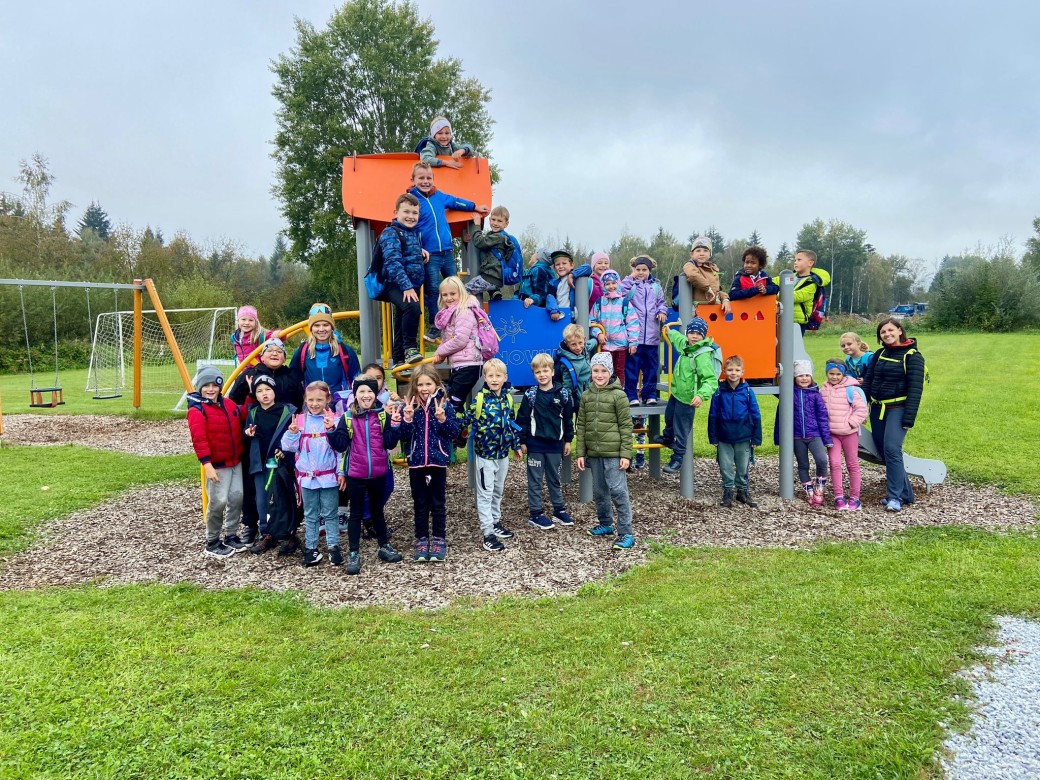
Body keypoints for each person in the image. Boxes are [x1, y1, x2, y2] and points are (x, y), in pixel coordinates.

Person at [406, 162, 489, 342]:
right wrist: (416, 247)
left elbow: (455, 201)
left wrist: (474, 206)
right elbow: (407, 224)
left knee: (457, 286)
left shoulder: (438, 196)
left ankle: (461, 317)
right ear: (413, 180)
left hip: (447, 252)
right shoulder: (411, 200)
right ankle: (436, 324)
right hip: (430, 254)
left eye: (429, 178)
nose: (425, 181)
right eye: (421, 178)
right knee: (434, 289)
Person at [280, 381, 351, 567]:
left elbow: (340, 450)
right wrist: (293, 434)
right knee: (311, 514)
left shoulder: (335, 419)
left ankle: (333, 547)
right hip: (307, 478)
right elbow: (289, 447)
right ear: (305, 399)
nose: (314, 404)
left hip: (328, 478)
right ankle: (311, 549)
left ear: (327, 399)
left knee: (331, 513)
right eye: (310, 400)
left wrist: (341, 472)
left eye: (319, 399)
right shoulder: (300, 421)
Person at [340, 377, 405, 575]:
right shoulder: (347, 418)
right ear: (355, 395)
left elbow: (390, 444)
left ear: (376, 394)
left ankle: (384, 546)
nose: (366, 395)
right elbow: (340, 445)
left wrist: (394, 426)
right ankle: (353, 553)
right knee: (356, 514)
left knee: (377, 512)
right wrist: (330, 431)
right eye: (362, 392)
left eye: (370, 392)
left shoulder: (382, 416)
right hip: (355, 474)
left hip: (378, 472)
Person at [861, 317, 926, 512]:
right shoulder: (879, 354)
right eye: (883, 332)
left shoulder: (913, 356)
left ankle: (894, 497)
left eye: (890, 330)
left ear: (899, 331)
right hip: (878, 410)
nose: (887, 334)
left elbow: (916, 389)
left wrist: (909, 419)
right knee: (883, 452)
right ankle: (906, 494)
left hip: (898, 410)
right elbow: (869, 380)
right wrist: (862, 405)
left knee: (891, 449)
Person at [399, 364, 461, 563]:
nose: (424, 388)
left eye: (428, 383)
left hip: (437, 461)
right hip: (417, 462)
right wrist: (407, 419)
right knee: (420, 503)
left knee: (437, 503)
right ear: (414, 386)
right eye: (420, 384)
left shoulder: (445, 406)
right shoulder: (410, 407)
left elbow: (455, 433)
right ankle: (421, 539)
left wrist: (443, 419)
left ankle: (439, 539)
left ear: (436, 384)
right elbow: (404, 437)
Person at [576, 353, 636, 550]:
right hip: (594, 453)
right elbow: (582, 425)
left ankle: (626, 532)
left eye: (603, 371)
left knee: (618, 491)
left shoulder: (619, 395)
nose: (599, 375)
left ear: (610, 372)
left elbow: (626, 426)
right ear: (590, 372)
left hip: (614, 454)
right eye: (595, 371)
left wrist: (626, 454)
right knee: (600, 491)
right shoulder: (586, 396)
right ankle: (605, 524)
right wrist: (581, 453)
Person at [186, 365, 246, 558]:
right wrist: (207, 464)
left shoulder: (228, 404)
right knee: (218, 502)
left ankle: (231, 534)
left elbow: (243, 413)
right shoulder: (197, 410)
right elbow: (199, 439)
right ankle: (212, 541)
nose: (211, 389)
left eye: (215, 385)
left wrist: (253, 393)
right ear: (200, 387)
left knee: (237, 498)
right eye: (206, 385)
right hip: (216, 465)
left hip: (234, 461)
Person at [463, 359, 521, 552]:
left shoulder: (508, 399)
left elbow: (511, 424)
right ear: (485, 377)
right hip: (485, 455)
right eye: (491, 376)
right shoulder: (479, 400)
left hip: (503, 453)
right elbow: (465, 421)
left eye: (498, 376)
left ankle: (495, 522)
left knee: (498, 489)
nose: (494, 379)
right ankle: (487, 533)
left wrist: (516, 445)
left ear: (505, 378)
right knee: (485, 493)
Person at [516, 353, 574, 531]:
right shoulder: (531, 395)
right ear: (534, 374)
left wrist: (568, 441)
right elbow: (522, 419)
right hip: (535, 446)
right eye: (538, 372)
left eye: (545, 370)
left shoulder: (563, 394)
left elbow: (568, 420)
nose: (542, 374)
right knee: (535, 480)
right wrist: (522, 441)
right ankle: (536, 513)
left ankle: (559, 509)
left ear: (552, 371)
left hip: (555, 446)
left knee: (554, 479)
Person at [242, 374, 296, 552]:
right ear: (255, 395)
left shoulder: (287, 411)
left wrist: (285, 451)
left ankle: (287, 531)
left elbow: (294, 435)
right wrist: (248, 433)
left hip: (280, 463)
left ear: (274, 392)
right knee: (262, 498)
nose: (264, 394)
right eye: (259, 391)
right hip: (260, 463)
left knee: (283, 496)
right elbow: (246, 434)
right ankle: (266, 532)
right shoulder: (253, 412)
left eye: (268, 389)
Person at [659, 317, 719, 474]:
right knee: (669, 416)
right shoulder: (686, 346)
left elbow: (710, 381)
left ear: (704, 336)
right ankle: (667, 438)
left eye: (698, 334)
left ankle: (678, 458)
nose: (694, 336)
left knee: (681, 428)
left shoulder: (701, 355)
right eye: (691, 332)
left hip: (689, 399)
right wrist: (669, 331)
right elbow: (677, 339)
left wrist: (701, 395)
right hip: (677, 393)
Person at [708, 355, 763, 508]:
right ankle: (727, 491)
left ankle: (742, 491)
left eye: (737, 370)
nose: (733, 373)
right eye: (730, 369)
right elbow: (712, 414)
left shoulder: (747, 392)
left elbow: (755, 414)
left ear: (742, 372)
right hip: (724, 435)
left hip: (743, 435)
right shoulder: (718, 392)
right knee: (725, 466)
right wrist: (713, 436)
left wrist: (756, 437)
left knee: (742, 465)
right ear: (724, 371)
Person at [775, 359, 832, 505]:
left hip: (815, 435)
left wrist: (827, 439)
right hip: (796, 436)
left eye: (807, 375)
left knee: (822, 460)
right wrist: (778, 438)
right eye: (800, 375)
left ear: (811, 377)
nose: (804, 378)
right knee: (803, 464)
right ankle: (809, 491)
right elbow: (780, 416)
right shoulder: (789, 394)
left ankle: (820, 488)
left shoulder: (815, 394)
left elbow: (822, 417)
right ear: (794, 378)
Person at [379, 193, 427, 365]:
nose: (410, 216)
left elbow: (407, 252)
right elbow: (393, 261)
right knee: (412, 308)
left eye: (414, 213)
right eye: (406, 212)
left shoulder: (412, 234)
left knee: (401, 317)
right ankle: (410, 349)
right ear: (396, 212)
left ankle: (398, 359)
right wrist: (406, 287)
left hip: (410, 284)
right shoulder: (390, 232)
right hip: (395, 283)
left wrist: (421, 253)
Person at [820, 359, 869, 512]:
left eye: (838, 374)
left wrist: (851, 423)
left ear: (843, 374)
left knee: (852, 465)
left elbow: (861, 410)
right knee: (834, 464)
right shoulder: (823, 389)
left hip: (849, 434)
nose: (834, 377)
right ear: (826, 373)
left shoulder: (851, 389)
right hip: (832, 434)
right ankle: (838, 497)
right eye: (831, 373)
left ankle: (855, 498)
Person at [620, 255, 668, 406]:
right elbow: (620, 291)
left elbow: (662, 302)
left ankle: (649, 394)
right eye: (637, 269)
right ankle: (631, 395)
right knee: (632, 368)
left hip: (652, 337)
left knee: (651, 368)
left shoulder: (656, 287)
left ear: (649, 270)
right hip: (635, 337)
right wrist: (630, 277)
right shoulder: (632, 285)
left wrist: (662, 311)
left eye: (644, 270)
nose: (640, 272)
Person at [432, 276, 485, 408]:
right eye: (444, 295)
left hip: (469, 364)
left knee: (452, 403)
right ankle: (460, 427)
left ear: (461, 293)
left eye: (452, 294)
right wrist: (443, 355)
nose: (449, 298)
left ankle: (454, 427)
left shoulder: (464, 312)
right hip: (461, 364)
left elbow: (460, 340)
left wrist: (440, 351)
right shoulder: (451, 312)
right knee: (454, 402)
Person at [289, 303, 361, 395]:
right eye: (317, 325)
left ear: (332, 327)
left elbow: (357, 379)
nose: (321, 329)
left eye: (326, 325)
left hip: (341, 405)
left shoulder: (345, 351)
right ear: (311, 328)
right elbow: (292, 379)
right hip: (312, 404)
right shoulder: (302, 352)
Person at [227, 337, 302, 410]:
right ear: (262, 357)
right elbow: (234, 399)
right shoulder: (250, 374)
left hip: (284, 420)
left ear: (284, 359)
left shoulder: (292, 377)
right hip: (255, 420)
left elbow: (299, 403)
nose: (274, 353)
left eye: (279, 351)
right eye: (269, 351)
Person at [590, 269, 638, 380]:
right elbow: (592, 322)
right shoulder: (599, 303)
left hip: (621, 345)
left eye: (613, 283)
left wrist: (633, 343)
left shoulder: (624, 303)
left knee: (619, 371)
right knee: (604, 370)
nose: (611, 286)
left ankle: (618, 394)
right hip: (604, 345)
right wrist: (598, 334)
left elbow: (633, 324)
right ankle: (605, 393)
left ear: (618, 283)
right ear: (603, 285)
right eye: (607, 284)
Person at [772, 249, 830, 334]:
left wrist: (773, 293)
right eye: (795, 260)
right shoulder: (788, 277)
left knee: (794, 346)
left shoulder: (811, 283)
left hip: (797, 321)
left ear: (810, 263)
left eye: (799, 260)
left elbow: (796, 297)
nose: (795, 262)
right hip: (781, 318)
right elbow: (770, 282)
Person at [466, 206, 513, 298]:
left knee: (463, 291)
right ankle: (494, 292)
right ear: (490, 220)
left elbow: (480, 242)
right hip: (496, 278)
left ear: (506, 224)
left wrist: (476, 226)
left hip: (489, 278)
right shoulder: (496, 236)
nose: (495, 223)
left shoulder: (498, 237)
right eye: (493, 220)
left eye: (499, 221)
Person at [554, 323, 599, 412]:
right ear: (567, 344)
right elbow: (567, 385)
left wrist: (597, 340)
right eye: (573, 344)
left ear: (584, 340)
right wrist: (568, 403)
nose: (578, 347)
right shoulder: (567, 363)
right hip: (578, 396)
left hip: (588, 387)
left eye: (580, 343)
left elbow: (591, 344)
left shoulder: (584, 348)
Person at [682, 235, 731, 313]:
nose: (702, 253)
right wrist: (708, 289)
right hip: (699, 308)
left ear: (710, 254)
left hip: (715, 309)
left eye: (705, 250)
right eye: (698, 250)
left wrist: (725, 298)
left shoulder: (713, 269)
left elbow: (717, 290)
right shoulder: (690, 265)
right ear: (692, 254)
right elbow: (693, 276)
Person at [551, 249, 601, 315]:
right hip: (559, 314)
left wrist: (572, 275)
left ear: (572, 265)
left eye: (564, 263)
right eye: (557, 264)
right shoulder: (553, 284)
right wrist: (554, 310)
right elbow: (550, 297)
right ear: (554, 268)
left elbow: (588, 268)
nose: (561, 266)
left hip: (572, 315)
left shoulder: (575, 279)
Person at [518, 248, 563, 320]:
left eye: (534, 253)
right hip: (524, 307)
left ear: (539, 257)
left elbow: (541, 292)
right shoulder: (531, 271)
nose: (531, 255)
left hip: (533, 308)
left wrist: (533, 299)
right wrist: (515, 299)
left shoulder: (539, 270)